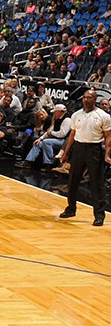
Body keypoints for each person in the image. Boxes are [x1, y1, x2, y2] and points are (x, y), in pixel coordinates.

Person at [58, 89, 111, 226]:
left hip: (94, 149)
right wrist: (65, 152)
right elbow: (72, 135)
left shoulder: (103, 116)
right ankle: (71, 209)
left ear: (95, 99)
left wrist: (107, 154)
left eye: (89, 97)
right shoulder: (76, 115)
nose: (86, 100)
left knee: (96, 183)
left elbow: (108, 136)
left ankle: (99, 215)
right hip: (79, 148)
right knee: (73, 180)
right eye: (85, 97)